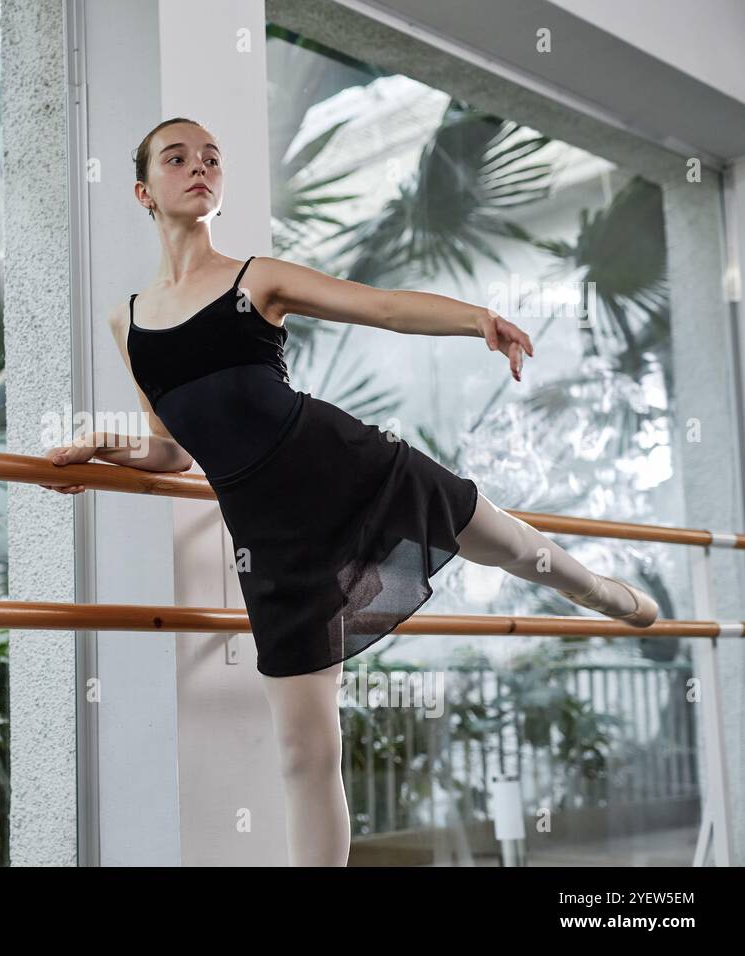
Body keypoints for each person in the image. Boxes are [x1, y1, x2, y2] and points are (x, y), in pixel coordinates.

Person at [42, 117, 659, 866]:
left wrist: (477, 321)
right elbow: (175, 451)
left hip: (351, 467)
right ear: (144, 190)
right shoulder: (128, 322)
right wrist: (107, 449)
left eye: (211, 156)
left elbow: (383, 306)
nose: (199, 166)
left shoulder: (255, 278)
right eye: (177, 159)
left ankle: (600, 591)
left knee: (515, 548)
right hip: (271, 540)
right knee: (306, 752)